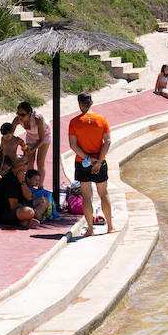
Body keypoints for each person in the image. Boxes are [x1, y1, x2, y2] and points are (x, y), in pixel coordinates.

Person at [68, 92, 114, 234]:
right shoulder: (102, 120)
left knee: (86, 196)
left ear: (79, 104)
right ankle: (110, 227)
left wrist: (88, 159)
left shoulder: (74, 122)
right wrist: (98, 161)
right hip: (100, 162)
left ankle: (90, 229)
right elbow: (107, 142)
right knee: (104, 194)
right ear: (92, 102)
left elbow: (73, 145)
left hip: (82, 162)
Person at [0, 155, 37, 228]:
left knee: (42, 200)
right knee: (29, 212)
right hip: (4, 213)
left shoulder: (21, 176)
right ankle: (26, 219)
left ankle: (25, 221)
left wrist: (22, 182)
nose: (28, 165)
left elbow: (29, 197)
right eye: (26, 163)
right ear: (19, 166)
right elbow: (13, 206)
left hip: (20, 205)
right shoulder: (10, 180)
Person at [13, 101, 50, 178]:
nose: (20, 117)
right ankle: (30, 182)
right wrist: (18, 142)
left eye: (23, 115)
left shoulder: (37, 118)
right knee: (29, 161)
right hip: (31, 136)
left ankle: (40, 184)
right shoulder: (17, 120)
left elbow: (42, 139)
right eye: (18, 114)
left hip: (45, 135)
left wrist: (32, 149)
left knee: (40, 161)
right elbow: (10, 133)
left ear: (29, 113)